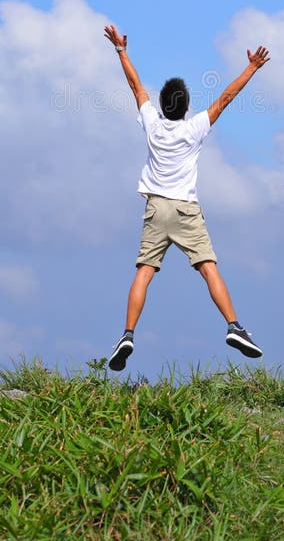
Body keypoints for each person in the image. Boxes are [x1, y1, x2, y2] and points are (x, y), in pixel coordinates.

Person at [104, 24, 271, 371]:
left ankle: (127, 334)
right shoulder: (194, 127)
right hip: (185, 210)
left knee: (144, 272)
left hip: (155, 208)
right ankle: (234, 326)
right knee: (208, 268)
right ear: (186, 107)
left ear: (162, 106)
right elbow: (226, 98)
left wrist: (121, 51)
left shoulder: (152, 124)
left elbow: (135, 86)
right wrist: (252, 68)